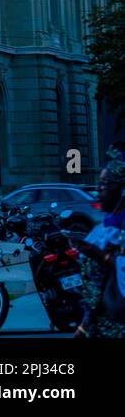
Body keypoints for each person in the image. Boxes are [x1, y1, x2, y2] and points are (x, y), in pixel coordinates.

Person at [76, 144, 125, 338]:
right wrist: (83, 327)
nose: (98, 189)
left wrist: (100, 255)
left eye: (105, 184)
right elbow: (97, 289)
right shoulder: (105, 228)